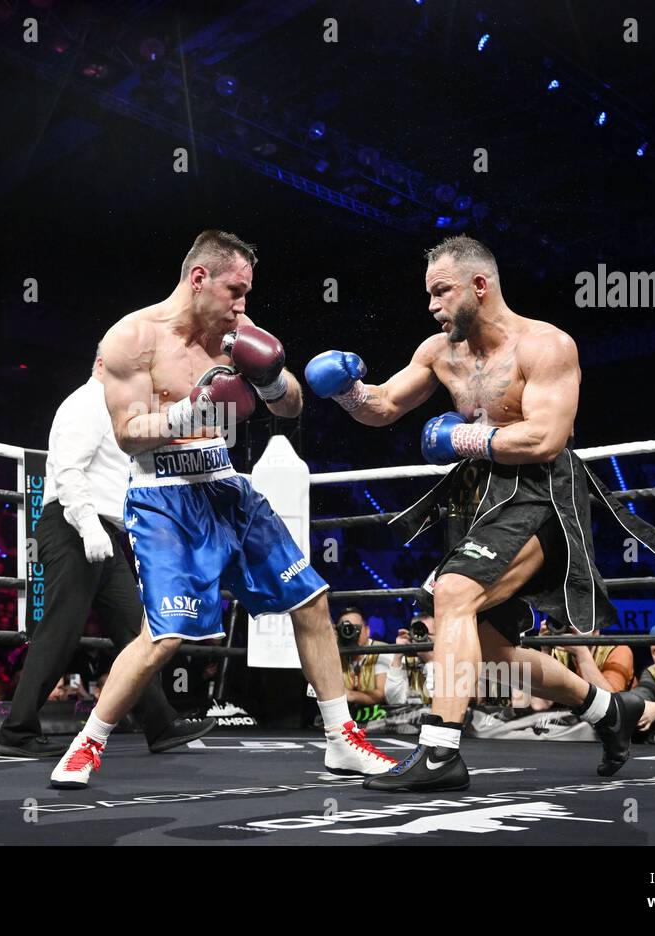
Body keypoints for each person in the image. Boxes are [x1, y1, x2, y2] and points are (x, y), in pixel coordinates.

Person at [306, 235, 655, 791]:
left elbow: (546, 437)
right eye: (428, 294)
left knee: (453, 593)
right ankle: (608, 712)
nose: (431, 305)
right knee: (496, 647)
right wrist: (345, 391)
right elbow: (384, 406)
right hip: (478, 500)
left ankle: (441, 749)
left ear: (480, 285)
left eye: (440, 292)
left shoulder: (544, 346)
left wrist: (462, 436)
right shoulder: (437, 352)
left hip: (541, 496)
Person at [49, 230, 397, 789]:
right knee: (164, 636)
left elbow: (291, 407)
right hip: (163, 497)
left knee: (311, 599)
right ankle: (88, 743)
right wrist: (194, 409)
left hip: (227, 487)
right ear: (199, 279)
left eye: (247, 292)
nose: (243, 304)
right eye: (235, 290)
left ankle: (342, 740)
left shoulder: (240, 334)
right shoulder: (131, 339)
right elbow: (128, 435)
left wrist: (268, 376)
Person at [0, 359, 215, 758]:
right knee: (60, 630)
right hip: (73, 526)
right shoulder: (85, 403)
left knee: (138, 631)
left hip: (107, 534)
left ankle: (160, 722)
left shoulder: (120, 411)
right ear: (102, 363)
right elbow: (67, 471)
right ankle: (17, 730)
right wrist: (88, 526)